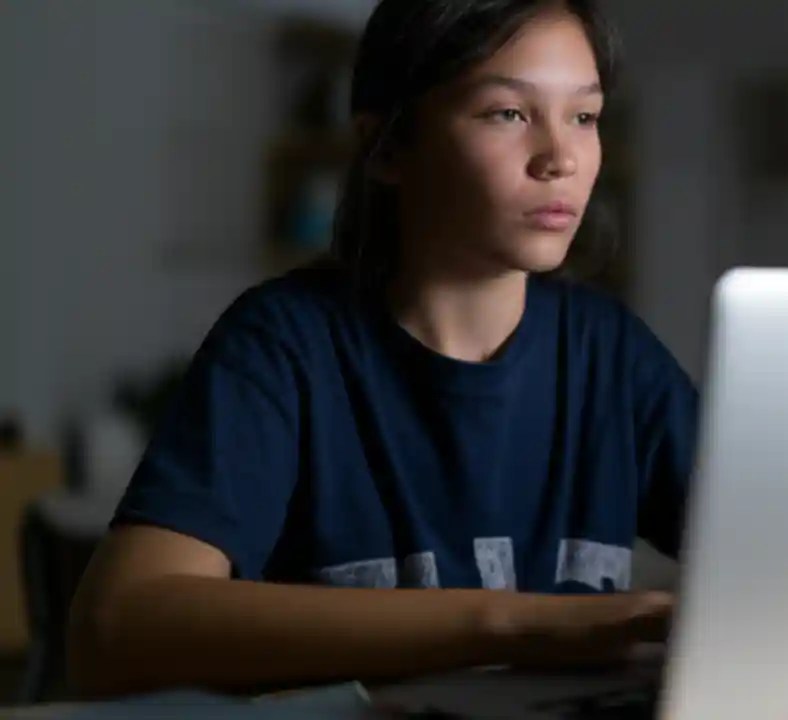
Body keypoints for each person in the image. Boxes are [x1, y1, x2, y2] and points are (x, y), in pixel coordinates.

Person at [67, 0, 696, 698]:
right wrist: (520, 624)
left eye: (584, 115)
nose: (561, 158)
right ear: (387, 146)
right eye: (507, 113)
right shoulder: (286, 344)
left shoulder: (613, 356)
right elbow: (117, 625)